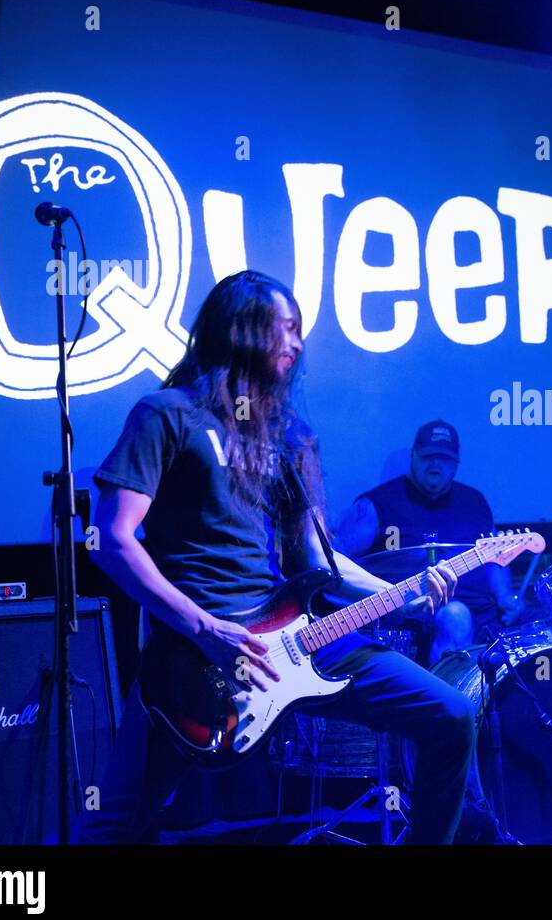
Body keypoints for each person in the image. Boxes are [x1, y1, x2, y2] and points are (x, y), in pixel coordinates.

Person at [77, 270, 474, 844]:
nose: (296, 344)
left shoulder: (289, 437)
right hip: (196, 657)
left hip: (295, 639)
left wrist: (402, 595)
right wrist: (204, 627)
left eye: (299, 332)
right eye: (284, 329)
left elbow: (319, 559)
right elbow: (112, 539)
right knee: (114, 824)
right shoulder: (166, 415)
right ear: (242, 329)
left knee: (452, 716)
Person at [334, 420, 524, 664]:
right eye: (428, 456)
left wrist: (506, 596)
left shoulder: (475, 502)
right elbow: (335, 559)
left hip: (481, 616)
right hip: (410, 617)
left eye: (444, 458)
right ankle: (449, 700)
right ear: (413, 456)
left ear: (456, 464)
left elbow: (494, 557)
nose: (435, 464)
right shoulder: (376, 505)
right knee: (455, 616)